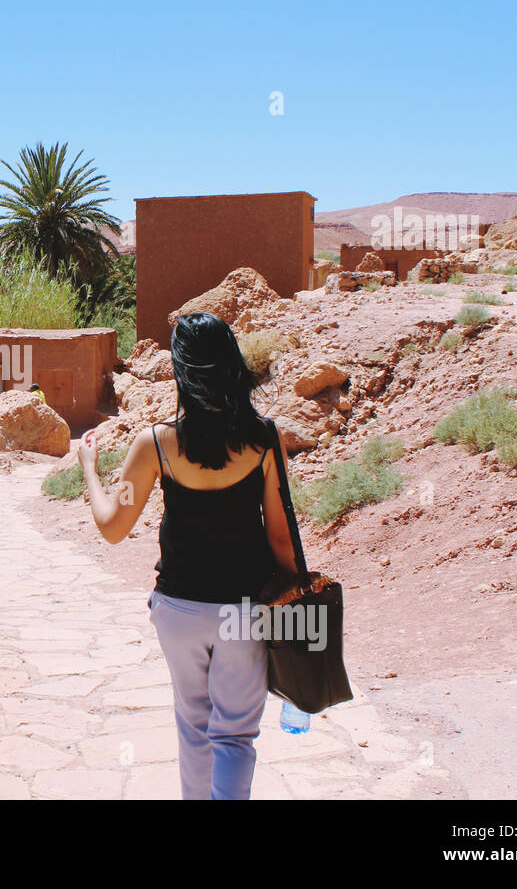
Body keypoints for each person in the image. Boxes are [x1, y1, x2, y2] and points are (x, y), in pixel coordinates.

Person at [77, 311, 301, 800]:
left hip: (178, 610)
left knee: (194, 726)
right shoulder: (264, 440)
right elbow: (282, 539)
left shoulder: (155, 444)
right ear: (232, 366)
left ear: (181, 372)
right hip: (242, 612)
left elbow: (113, 527)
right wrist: (293, 613)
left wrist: (89, 471)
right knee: (235, 734)